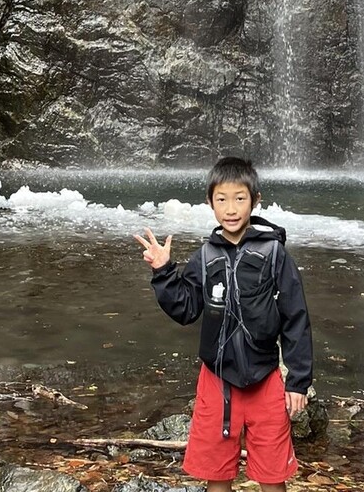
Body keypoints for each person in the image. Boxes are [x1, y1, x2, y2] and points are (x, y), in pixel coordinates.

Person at [134, 155, 313, 492]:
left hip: (265, 378)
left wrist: (298, 381)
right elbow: (186, 309)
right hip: (216, 379)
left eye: (240, 198)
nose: (231, 208)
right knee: (217, 474)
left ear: (255, 200)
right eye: (222, 199)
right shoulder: (205, 257)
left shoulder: (274, 254)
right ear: (210, 203)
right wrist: (163, 272)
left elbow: (296, 318)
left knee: (273, 476)